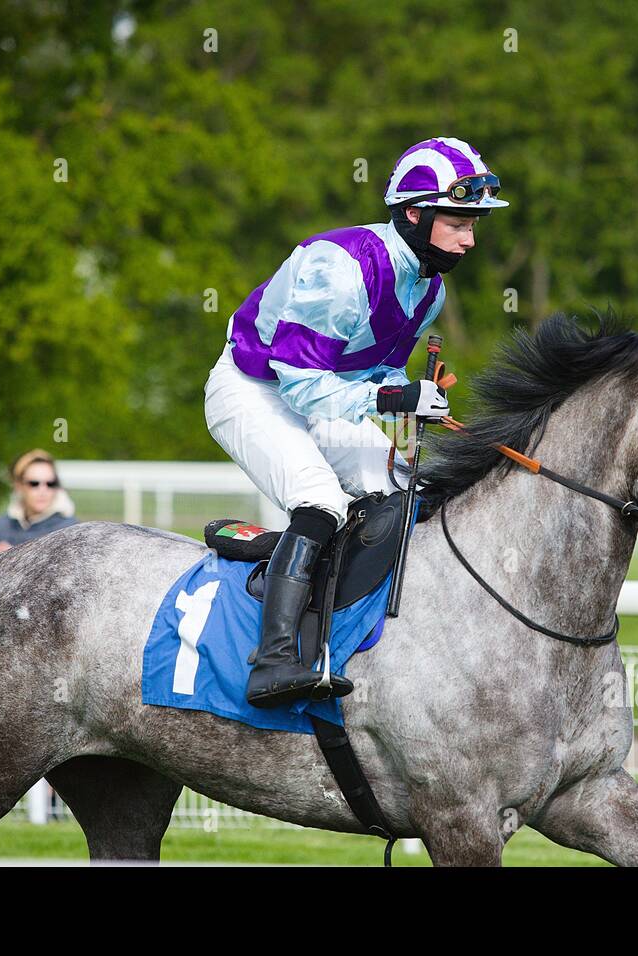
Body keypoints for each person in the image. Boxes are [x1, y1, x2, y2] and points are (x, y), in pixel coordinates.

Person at [204, 136, 509, 708]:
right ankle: (273, 660)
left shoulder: (429, 288)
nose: (470, 238)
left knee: (400, 491)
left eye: (476, 223)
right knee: (322, 500)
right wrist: (397, 401)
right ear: (415, 213)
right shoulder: (340, 265)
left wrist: (408, 428)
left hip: (323, 394)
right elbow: (302, 386)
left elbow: (378, 377)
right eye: (460, 220)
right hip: (254, 390)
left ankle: (348, 627)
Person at [0, 449, 77, 555]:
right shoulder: (2, 525)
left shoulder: (70, 528)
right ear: (18, 486)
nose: (43, 490)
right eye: (34, 483)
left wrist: (13, 558)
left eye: (50, 483)